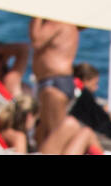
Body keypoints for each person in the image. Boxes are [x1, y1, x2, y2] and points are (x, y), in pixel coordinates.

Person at [30, 17, 80, 153]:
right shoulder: (65, 23)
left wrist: (36, 15)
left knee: (55, 136)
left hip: (55, 83)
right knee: (45, 134)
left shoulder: (58, 21)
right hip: (51, 82)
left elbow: (37, 41)